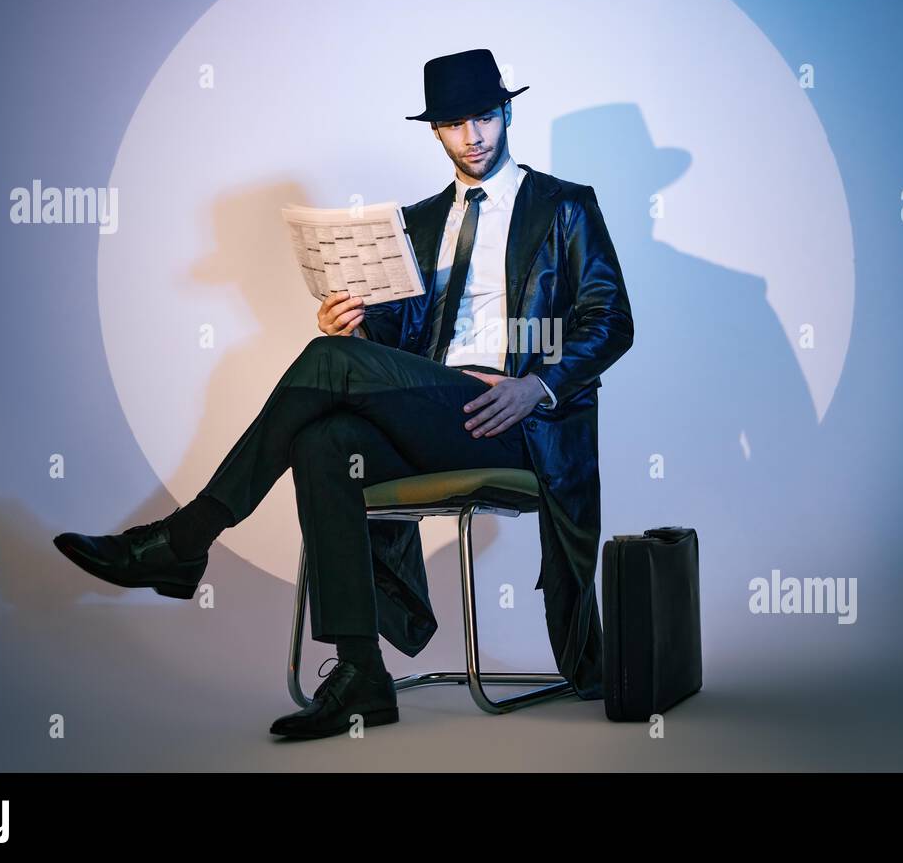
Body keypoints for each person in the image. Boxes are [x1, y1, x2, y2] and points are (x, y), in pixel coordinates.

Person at [52, 48, 634, 740]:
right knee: (322, 438)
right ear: (436, 133)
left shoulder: (565, 207)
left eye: (484, 116)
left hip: (519, 423)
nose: (473, 136)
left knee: (331, 369)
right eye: (454, 123)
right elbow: (394, 335)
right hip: (432, 415)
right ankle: (362, 675)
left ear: (507, 112)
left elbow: (612, 319)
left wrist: (535, 386)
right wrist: (351, 325)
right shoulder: (417, 225)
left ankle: (185, 537)